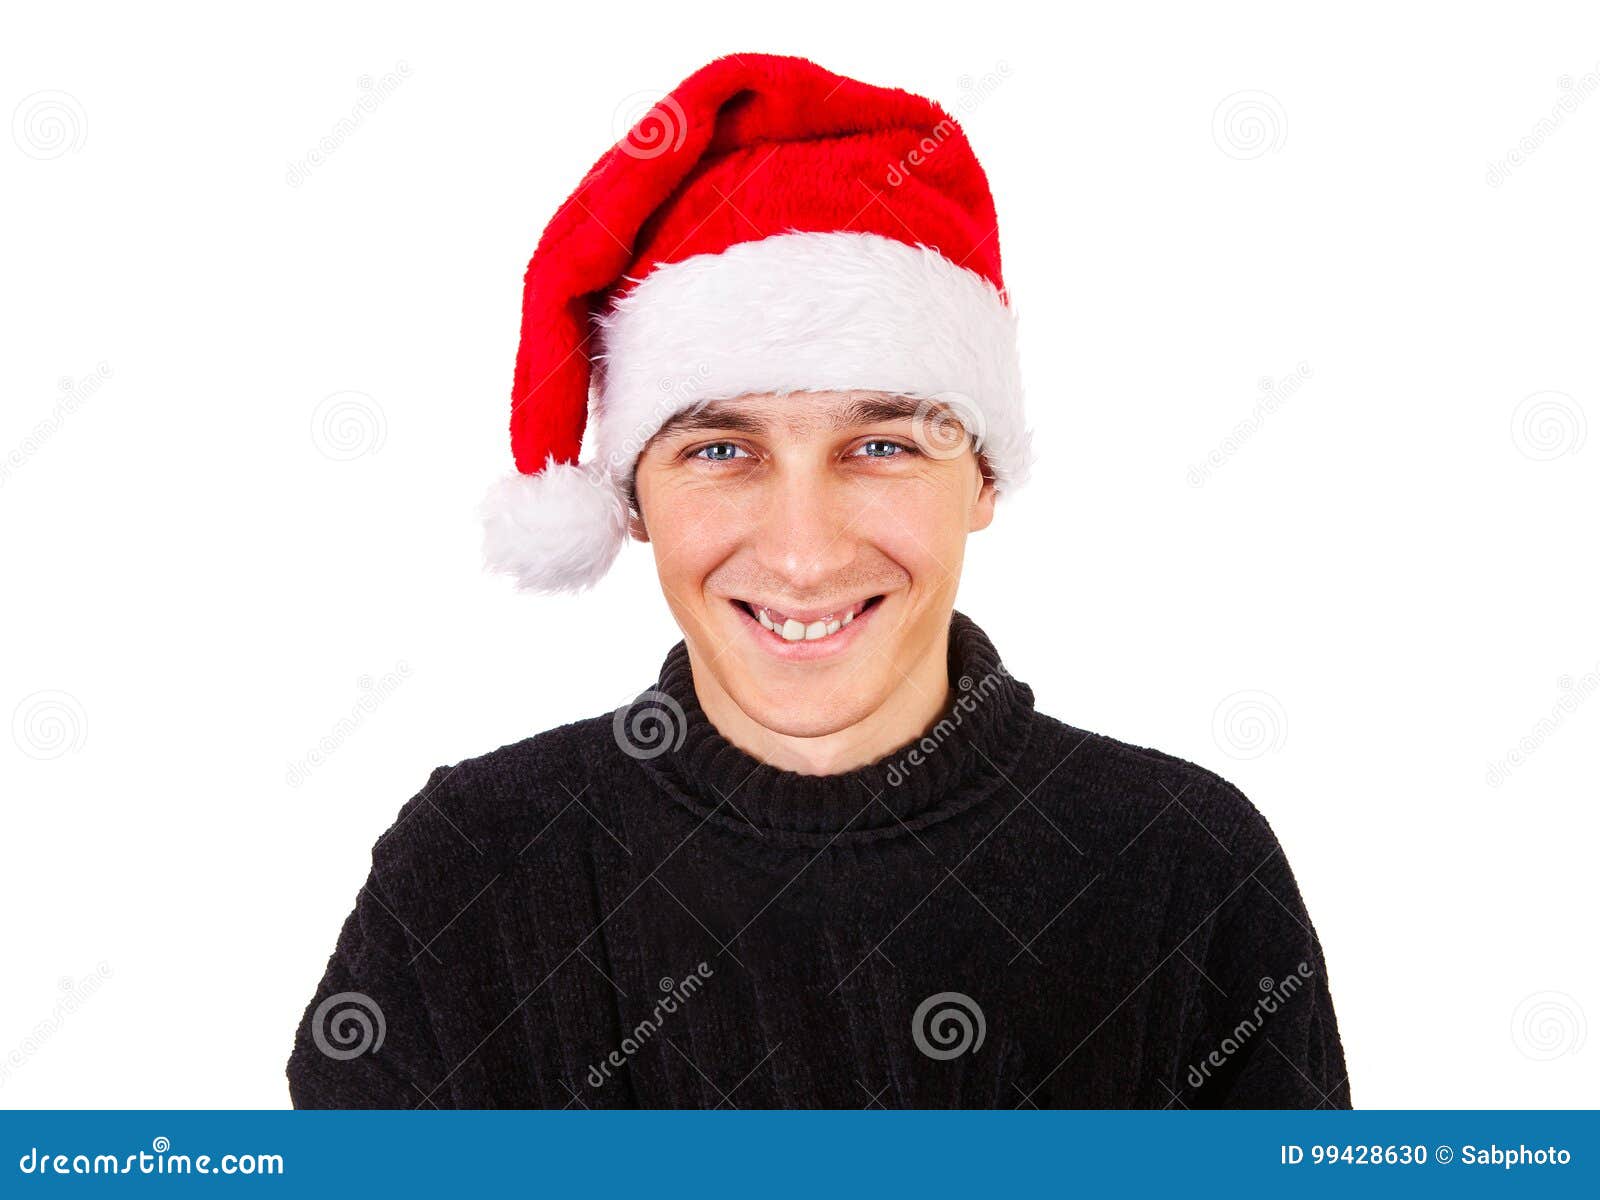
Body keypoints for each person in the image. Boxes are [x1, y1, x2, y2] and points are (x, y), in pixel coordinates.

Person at [286, 51, 1351, 1110]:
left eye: (881, 446)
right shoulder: (472, 865)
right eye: (720, 451)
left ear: (982, 479)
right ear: (631, 500)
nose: (803, 553)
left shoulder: (1181, 864)